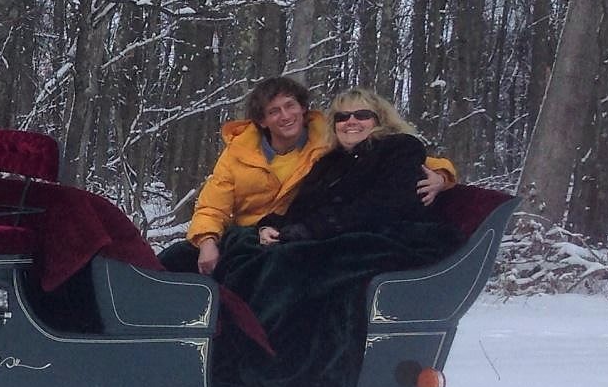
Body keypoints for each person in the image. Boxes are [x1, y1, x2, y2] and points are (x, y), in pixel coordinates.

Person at [206, 88, 463, 387]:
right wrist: (274, 227)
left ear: (380, 120)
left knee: (290, 269)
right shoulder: (329, 163)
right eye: (342, 117)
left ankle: (274, 375)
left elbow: (378, 207)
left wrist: (307, 232)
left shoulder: (400, 149)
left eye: (362, 115)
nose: (352, 122)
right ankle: (232, 354)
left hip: (389, 240)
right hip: (335, 236)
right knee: (244, 253)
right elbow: (302, 205)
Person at [157, 76, 453, 275]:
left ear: (303, 108)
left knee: (257, 272)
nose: (285, 116)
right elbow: (213, 204)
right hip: (253, 231)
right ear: (262, 121)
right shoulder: (237, 153)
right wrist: (208, 240)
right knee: (176, 258)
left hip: (297, 233)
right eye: (274, 112)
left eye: (290, 106)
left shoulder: (327, 138)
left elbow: (404, 155)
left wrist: (442, 175)